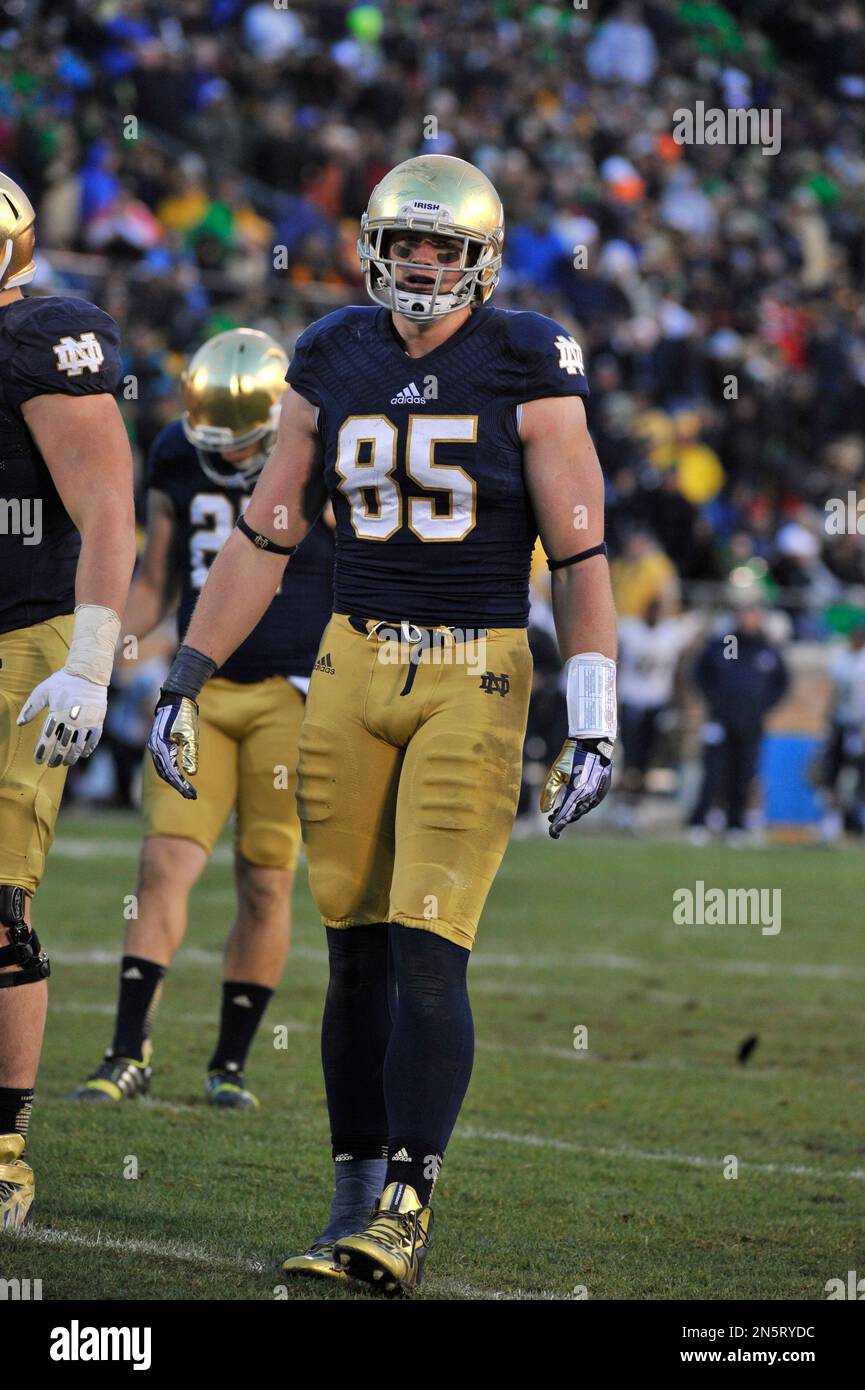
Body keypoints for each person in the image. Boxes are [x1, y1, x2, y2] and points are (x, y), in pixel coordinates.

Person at [145, 154, 618, 1294]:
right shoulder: (327, 354)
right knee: (350, 949)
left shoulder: (528, 355)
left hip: (476, 668)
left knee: (424, 942)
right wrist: (184, 675)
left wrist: (591, 712)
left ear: (480, 261)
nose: (419, 264)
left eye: (441, 247)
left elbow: (583, 549)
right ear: (370, 245)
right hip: (350, 663)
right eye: (402, 243)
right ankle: (352, 1197)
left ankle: (409, 1201)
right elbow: (266, 532)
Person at [71, 329, 334, 1109]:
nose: (224, 458)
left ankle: (229, 1064)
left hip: (291, 691)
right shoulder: (178, 455)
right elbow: (157, 575)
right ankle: (128, 1053)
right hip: (200, 688)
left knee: (264, 880)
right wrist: (111, 646)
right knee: (162, 865)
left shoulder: (321, 454)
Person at [0, 171, 135, 1227]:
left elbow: (106, 506)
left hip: (20, 638)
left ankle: (3, 1146)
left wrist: (91, 658)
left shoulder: (43, 336)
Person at [688, 602, 789, 842]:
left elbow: (781, 683)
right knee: (714, 772)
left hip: (751, 724)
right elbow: (706, 672)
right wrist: (716, 702)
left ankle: (737, 823)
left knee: (744, 774)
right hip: (721, 721)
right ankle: (701, 821)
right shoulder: (728, 644)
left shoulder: (767, 650)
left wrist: (762, 706)